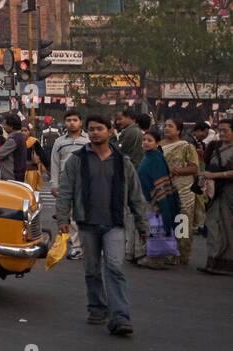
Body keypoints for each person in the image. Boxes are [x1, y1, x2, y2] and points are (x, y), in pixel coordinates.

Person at [54, 115, 150, 337]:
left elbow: (136, 196)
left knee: (115, 268)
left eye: (100, 128)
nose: (96, 132)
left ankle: (120, 316)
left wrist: (142, 225)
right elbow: (66, 191)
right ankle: (97, 308)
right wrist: (62, 219)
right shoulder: (77, 160)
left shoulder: (122, 161)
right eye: (92, 129)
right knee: (92, 270)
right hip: (87, 223)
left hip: (115, 223)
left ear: (109, 131)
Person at [135, 127, 181, 269]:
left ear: (157, 143)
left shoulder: (156, 158)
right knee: (149, 227)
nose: (146, 143)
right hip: (144, 198)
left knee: (156, 228)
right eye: (144, 140)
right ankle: (147, 254)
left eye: (150, 140)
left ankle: (156, 258)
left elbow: (159, 182)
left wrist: (157, 202)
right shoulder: (148, 156)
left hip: (154, 200)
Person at [48, 111, 90, 260]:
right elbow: (54, 163)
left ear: (81, 122)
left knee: (85, 213)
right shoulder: (59, 141)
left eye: (75, 120)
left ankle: (89, 245)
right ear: (65, 122)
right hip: (65, 183)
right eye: (68, 120)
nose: (72, 123)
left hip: (86, 183)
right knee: (70, 215)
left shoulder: (89, 140)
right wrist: (54, 183)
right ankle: (77, 247)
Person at [160, 117, 200, 265]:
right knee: (166, 219)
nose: (166, 128)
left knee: (182, 220)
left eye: (170, 126)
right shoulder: (159, 145)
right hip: (165, 187)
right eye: (165, 126)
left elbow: (194, 168)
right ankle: (166, 253)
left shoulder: (186, 146)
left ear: (178, 130)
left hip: (184, 188)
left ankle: (181, 255)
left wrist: (179, 170)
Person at [198, 118, 233, 275]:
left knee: (228, 226)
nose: (222, 133)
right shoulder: (215, 146)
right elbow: (206, 165)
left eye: (226, 130)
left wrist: (216, 175)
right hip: (214, 192)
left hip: (229, 192)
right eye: (220, 130)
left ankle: (227, 264)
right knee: (213, 225)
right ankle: (213, 260)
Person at [0, 112, 27, 181]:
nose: (3, 126)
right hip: (18, 174)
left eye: (5, 124)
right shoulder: (20, 137)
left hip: (12, 176)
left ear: (11, 127)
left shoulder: (14, 139)